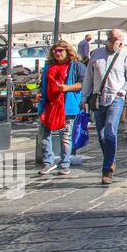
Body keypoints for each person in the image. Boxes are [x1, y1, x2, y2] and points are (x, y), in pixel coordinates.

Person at [80, 29, 127, 186]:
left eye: (122, 40)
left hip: (116, 98)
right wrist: (84, 97)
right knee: (101, 135)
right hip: (98, 98)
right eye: (118, 39)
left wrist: (123, 91)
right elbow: (89, 78)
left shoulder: (126, 55)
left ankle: (107, 169)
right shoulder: (96, 54)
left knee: (110, 130)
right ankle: (110, 159)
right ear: (109, 40)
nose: (121, 43)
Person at [37, 41, 84, 176]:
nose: (57, 53)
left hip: (67, 105)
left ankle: (65, 163)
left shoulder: (76, 66)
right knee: (43, 134)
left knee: (65, 137)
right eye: (55, 51)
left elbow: (83, 83)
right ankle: (48, 162)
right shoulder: (48, 67)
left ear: (68, 51)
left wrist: (67, 88)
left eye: (60, 50)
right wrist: (40, 93)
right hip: (49, 105)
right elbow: (43, 84)